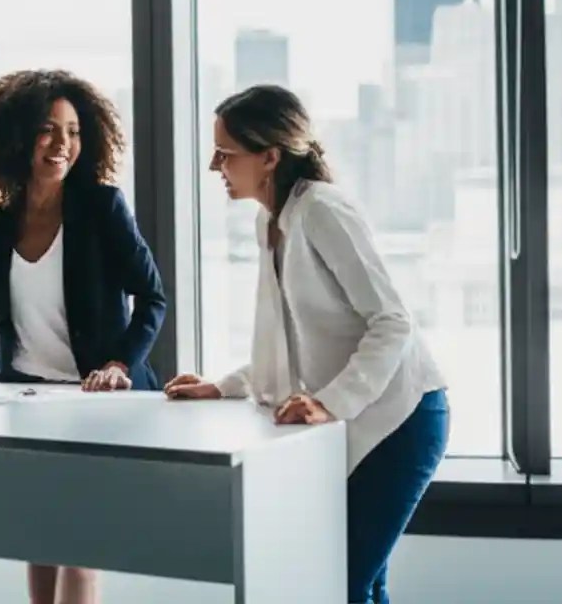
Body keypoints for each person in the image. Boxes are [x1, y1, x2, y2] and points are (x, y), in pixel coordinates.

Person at [164, 85, 448, 604]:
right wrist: (224, 386)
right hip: (355, 422)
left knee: (341, 584)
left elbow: (392, 321)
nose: (213, 165)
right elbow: (288, 342)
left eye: (225, 153)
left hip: (401, 419)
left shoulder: (322, 210)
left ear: (270, 157)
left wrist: (329, 403)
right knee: (357, 585)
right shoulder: (272, 221)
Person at [0, 69, 167, 603]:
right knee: (39, 536)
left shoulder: (102, 207)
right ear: (17, 137)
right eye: (47, 130)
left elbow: (152, 298)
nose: (62, 145)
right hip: (25, 398)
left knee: (81, 544)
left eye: (73, 132)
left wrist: (120, 364)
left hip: (97, 401)